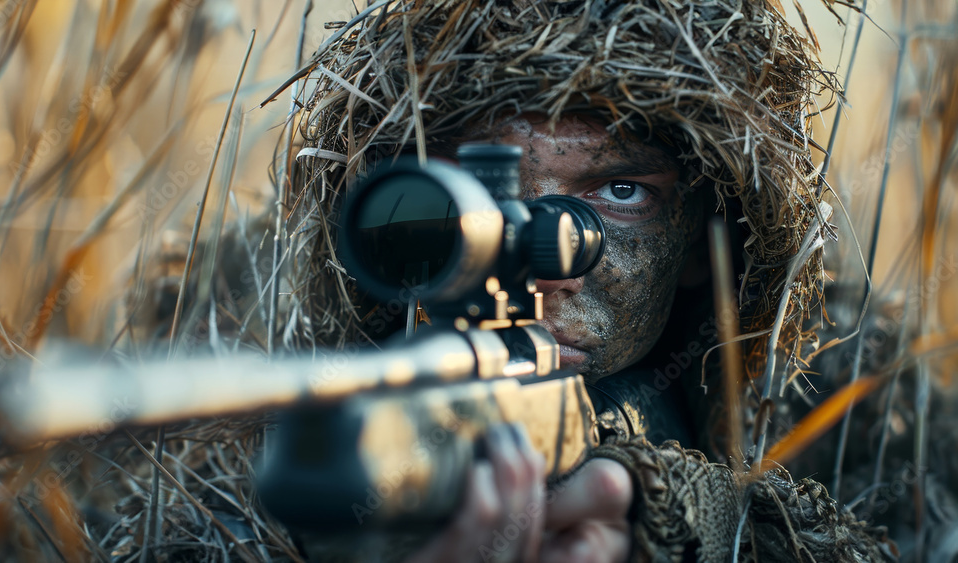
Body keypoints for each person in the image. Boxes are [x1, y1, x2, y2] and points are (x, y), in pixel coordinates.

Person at [281, 0, 896, 561]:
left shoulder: (854, 388)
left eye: (620, 192)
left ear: (705, 243)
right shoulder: (260, 337)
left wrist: (694, 516)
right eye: (467, 196)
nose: (541, 275)